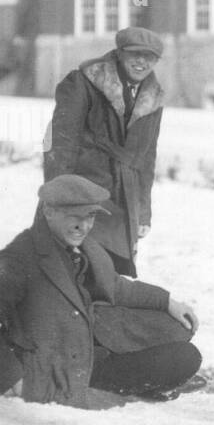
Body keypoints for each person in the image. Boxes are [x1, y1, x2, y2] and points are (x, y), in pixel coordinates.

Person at [0, 175, 202, 406]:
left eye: (90, 216)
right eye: (74, 216)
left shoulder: (82, 247)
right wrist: (12, 378)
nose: (83, 226)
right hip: (60, 367)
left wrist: (168, 302)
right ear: (48, 212)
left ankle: (138, 378)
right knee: (186, 357)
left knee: (177, 326)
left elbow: (115, 286)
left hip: (86, 339)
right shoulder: (19, 259)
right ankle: (131, 384)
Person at [43, 26, 166, 277]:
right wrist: (59, 197)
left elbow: (147, 158)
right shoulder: (83, 82)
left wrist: (143, 212)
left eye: (150, 57)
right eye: (135, 55)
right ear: (120, 53)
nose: (142, 62)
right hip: (83, 189)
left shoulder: (153, 98)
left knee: (111, 273)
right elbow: (60, 142)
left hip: (125, 198)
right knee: (74, 266)